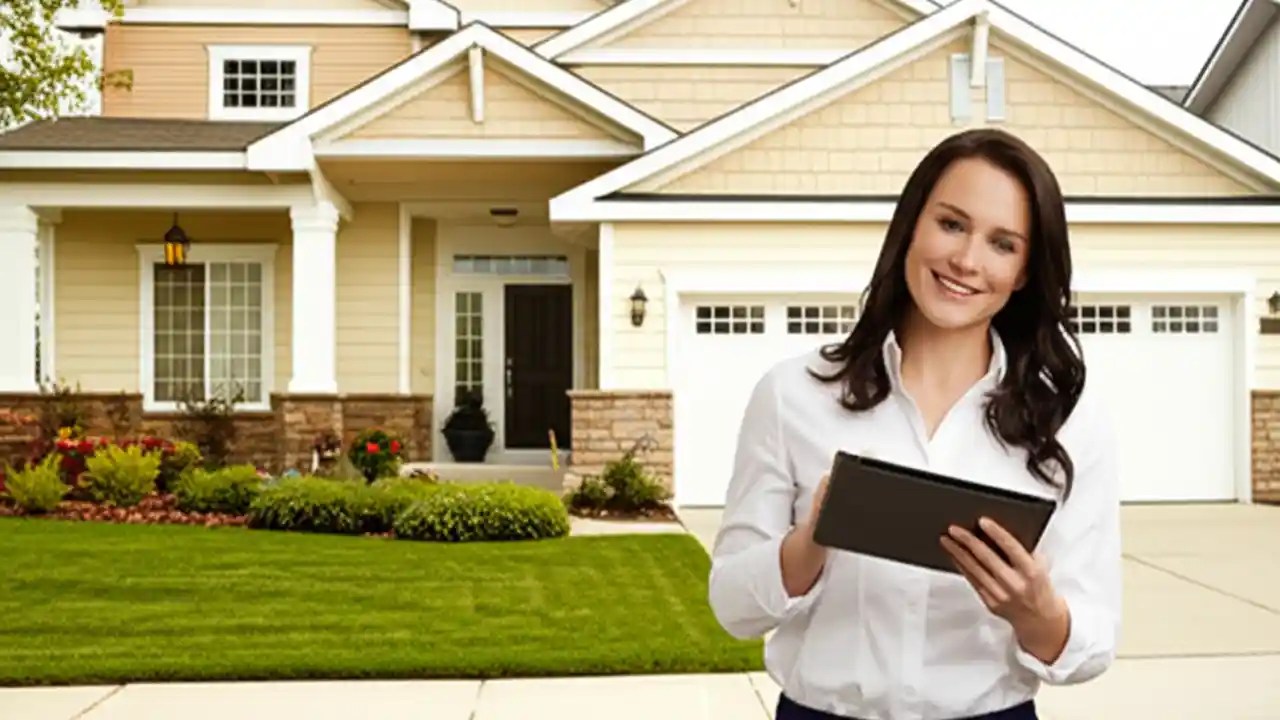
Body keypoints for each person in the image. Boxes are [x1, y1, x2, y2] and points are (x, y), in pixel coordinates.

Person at [707, 128, 1122, 720]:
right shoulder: (792, 395)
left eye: (1003, 244)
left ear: (1026, 271)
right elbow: (732, 606)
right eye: (951, 224)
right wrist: (812, 540)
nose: (966, 261)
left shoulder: (1069, 422)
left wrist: (1035, 612)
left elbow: (1095, 639)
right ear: (911, 226)